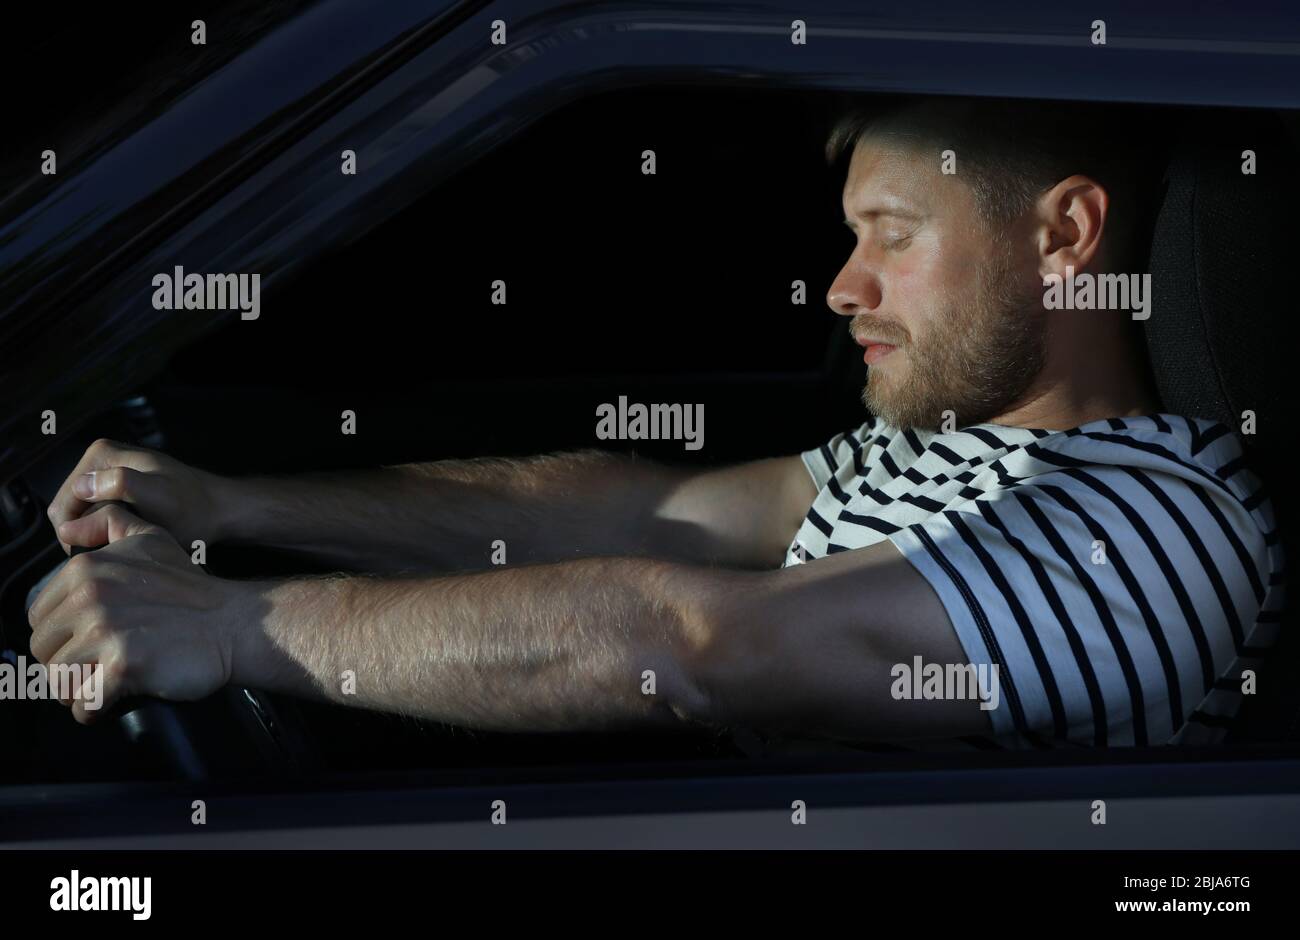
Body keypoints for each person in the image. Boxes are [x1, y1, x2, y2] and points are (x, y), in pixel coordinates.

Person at [31, 98, 1283, 749]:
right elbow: (637, 508)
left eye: (891, 238)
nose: (844, 287)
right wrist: (238, 507)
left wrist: (237, 626)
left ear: (1062, 237)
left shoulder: (1153, 530)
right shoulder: (938, 452)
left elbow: (695, 642)